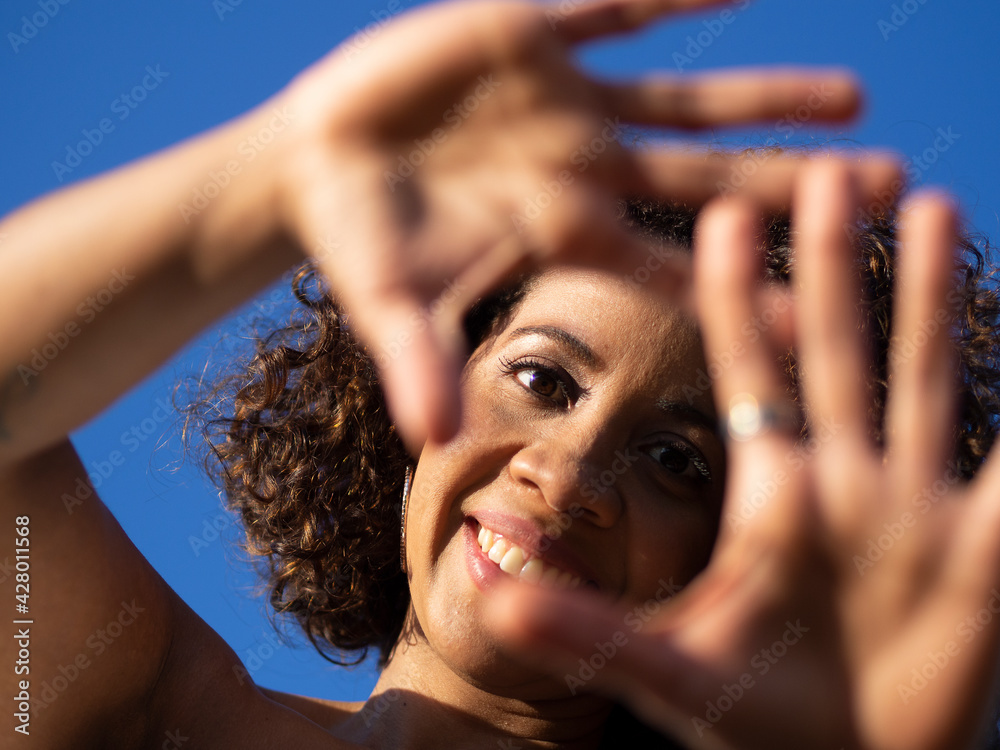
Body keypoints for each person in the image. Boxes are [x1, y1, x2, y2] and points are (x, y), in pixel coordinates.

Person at [0, 1, 997, 749]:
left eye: (673, 461)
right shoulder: (142, 709)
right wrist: (279, 177)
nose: (568, 475)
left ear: (738, 552)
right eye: (544, 381)